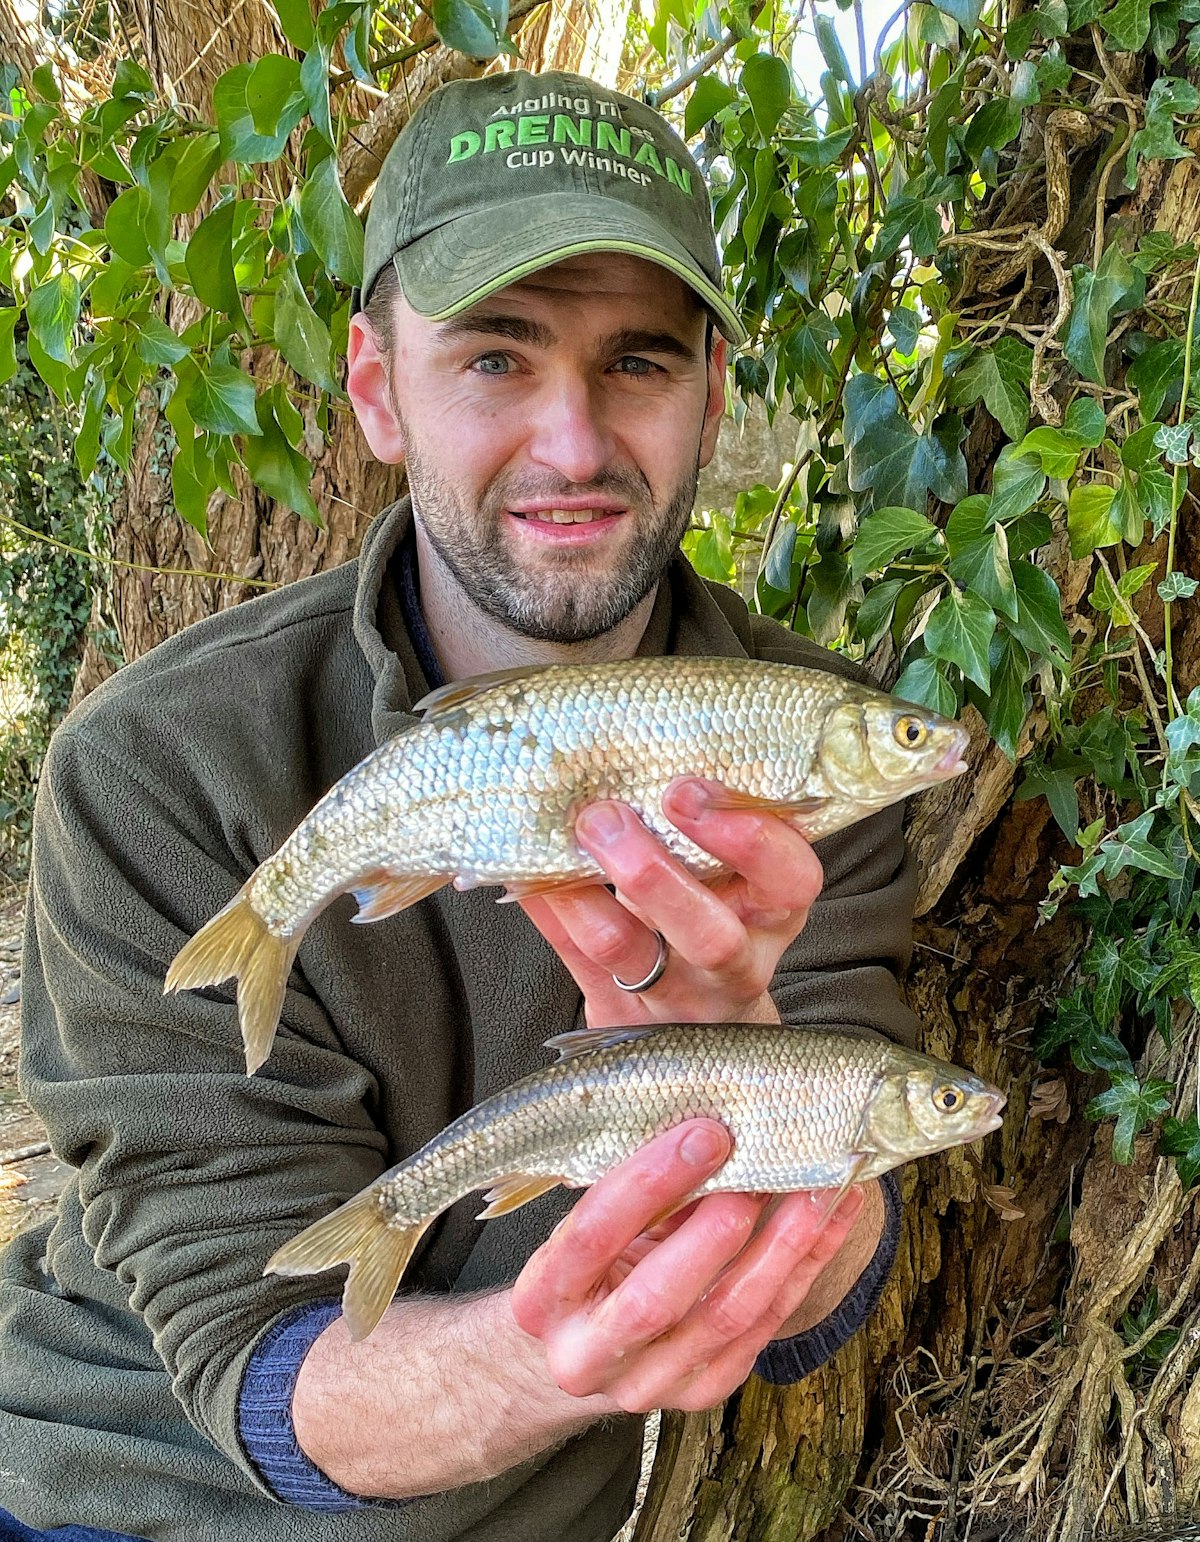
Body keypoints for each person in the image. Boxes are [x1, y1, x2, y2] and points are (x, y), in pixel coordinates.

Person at [0, 68, 920, 1542]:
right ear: (377, 389)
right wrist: (543, 1359)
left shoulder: (812, 744)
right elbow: (245, 1332)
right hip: (124, 1484)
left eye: (637, 362)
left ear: (712, 394)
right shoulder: (154, 765)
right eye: (496, 359)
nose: (573, 445)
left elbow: (828, 1250)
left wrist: (749, 1082)